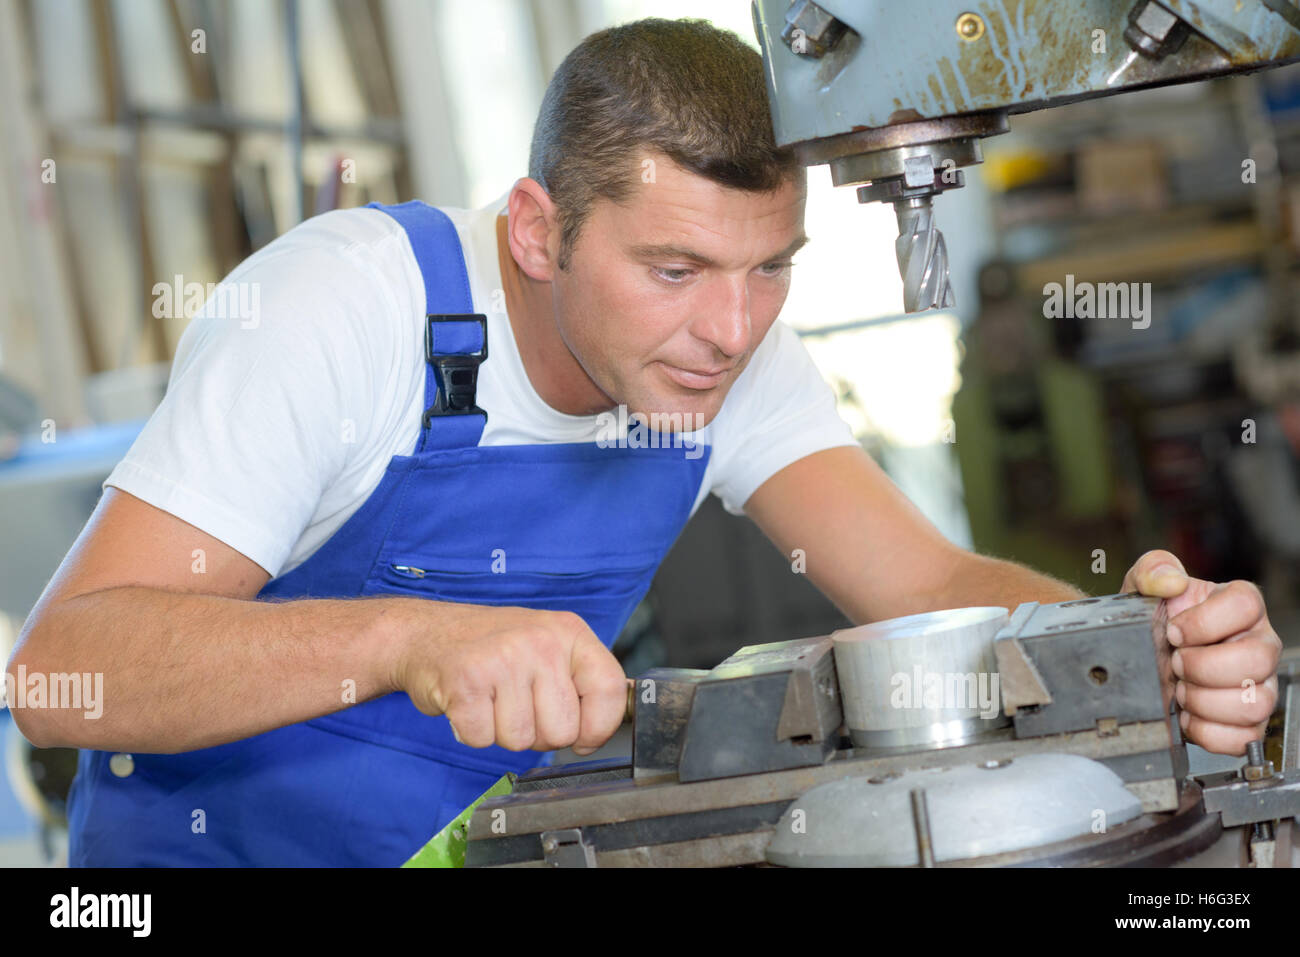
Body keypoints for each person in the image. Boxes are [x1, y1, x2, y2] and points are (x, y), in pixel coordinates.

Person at [9, 18, 1281, 866]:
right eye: (672, 268)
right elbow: (65, 668)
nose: (728, 330)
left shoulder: (724, 354)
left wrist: (1125, 645)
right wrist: (408, 640)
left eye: (768, 268)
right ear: (533, 230)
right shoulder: (349, 308)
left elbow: (932, 588)